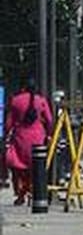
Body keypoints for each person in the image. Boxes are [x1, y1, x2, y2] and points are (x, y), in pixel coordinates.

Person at [4, 78, 53, 206]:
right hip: (38, 138)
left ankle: (21, 194)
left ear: (22, 88)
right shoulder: (41, 101)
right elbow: (49, 120)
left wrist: (6, 134)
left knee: (18, 167)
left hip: (20, 138)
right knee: (35, 167)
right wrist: (49, 135)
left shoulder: (15, 101)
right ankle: (32, 190)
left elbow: (9, 123)